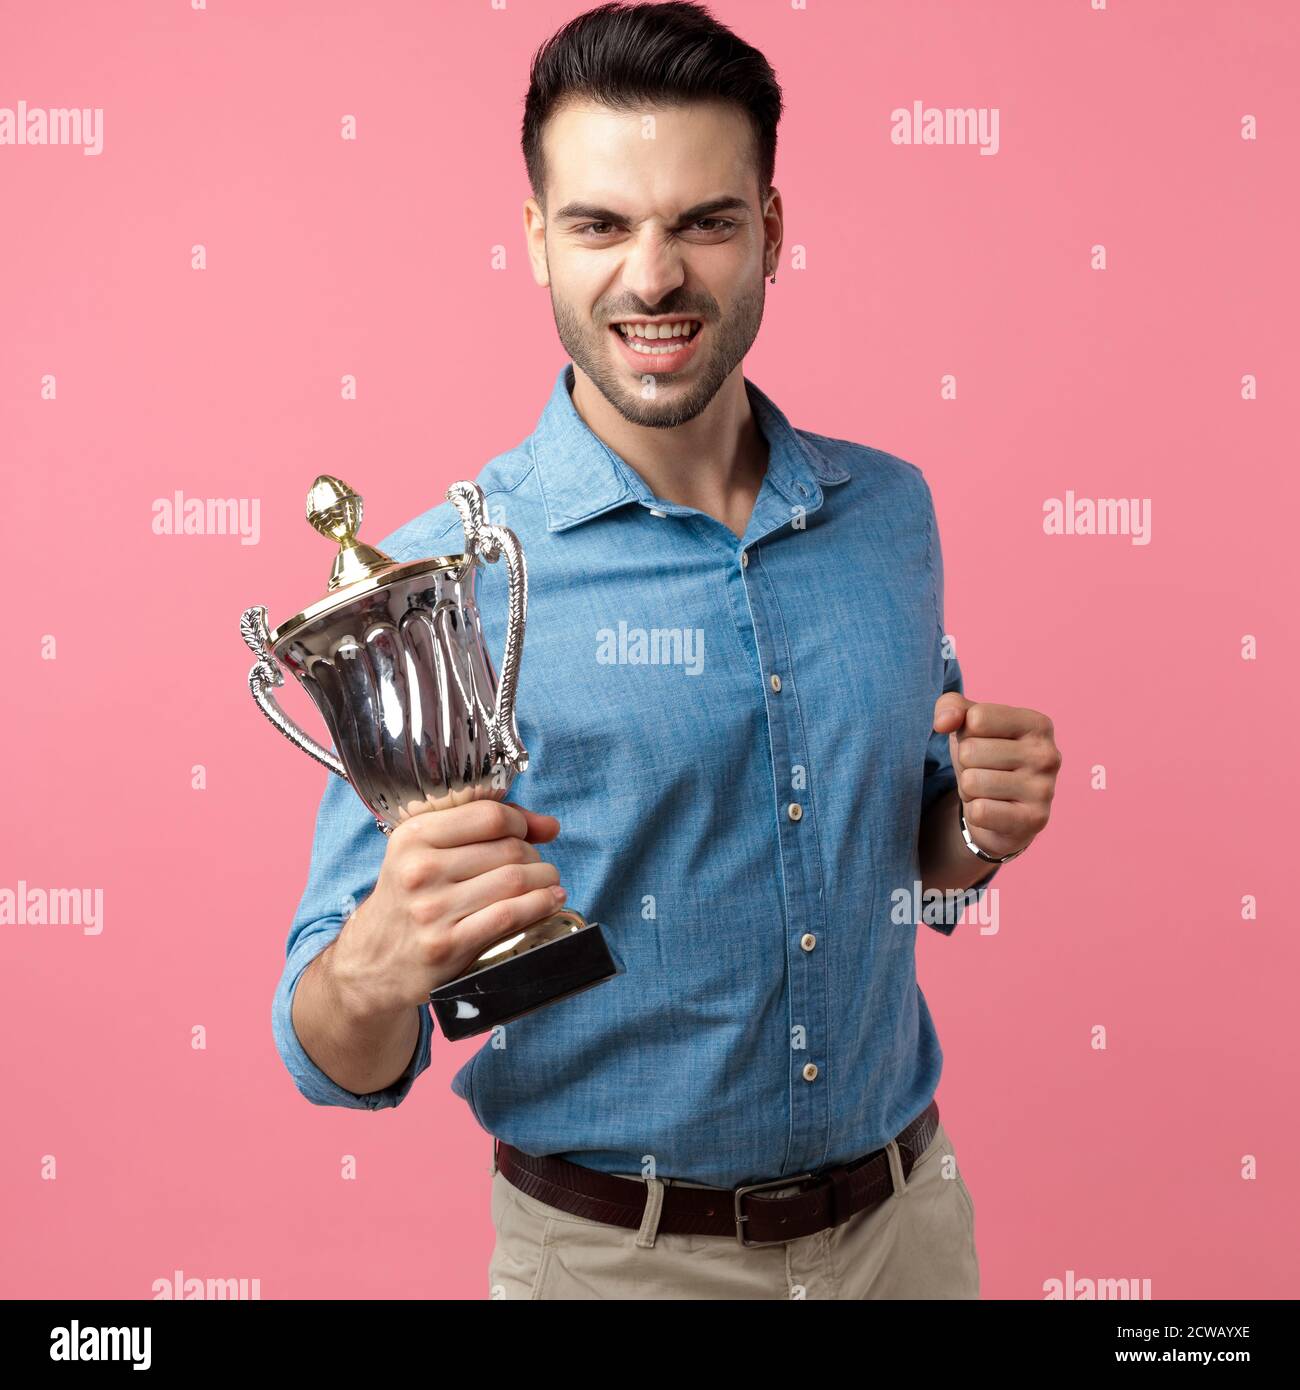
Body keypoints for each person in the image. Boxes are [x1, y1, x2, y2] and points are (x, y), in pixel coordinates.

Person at [271, 0, 1061, 1300]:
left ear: (772, 231)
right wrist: (374, 962)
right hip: (617, 1267)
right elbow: (330, 1050)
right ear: (535, 238)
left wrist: (975, 829)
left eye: (704, 220)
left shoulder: (891, 513)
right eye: (600, 224)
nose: (653, 276)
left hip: (909, 1233)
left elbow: (909, 860)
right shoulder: (436, 582)